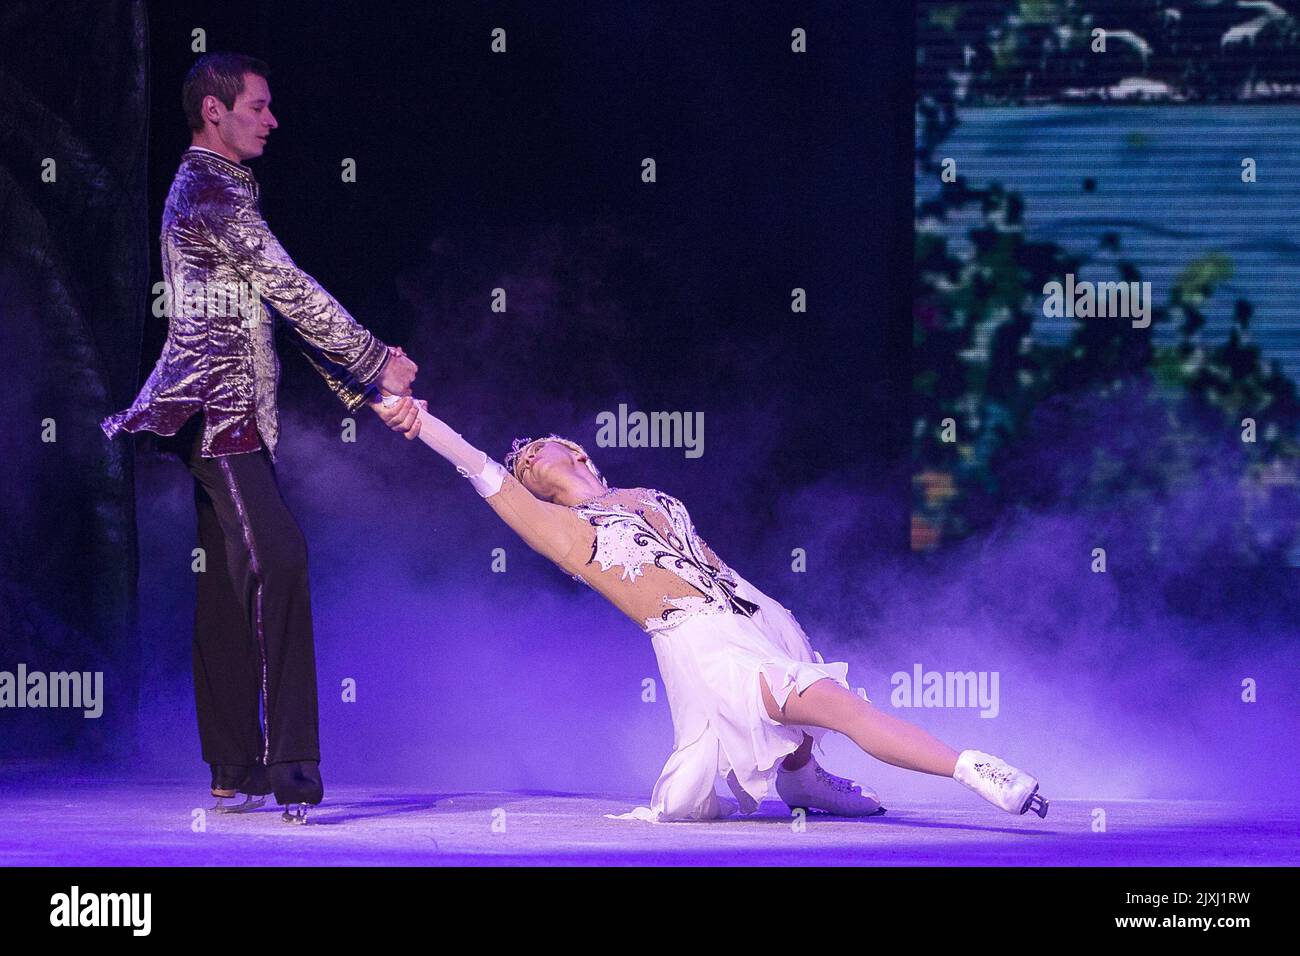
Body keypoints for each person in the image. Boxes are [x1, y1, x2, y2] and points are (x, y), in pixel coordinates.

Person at [371, 395, 1050, 821]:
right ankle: (975, 769)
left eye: (533, 449)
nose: (521, 460)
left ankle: (803, 780)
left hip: (754, 611)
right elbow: (480, 469)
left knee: (808, 713)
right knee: (842, 709)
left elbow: (709, 558)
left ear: (573, 451)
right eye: (518, 463)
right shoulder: (565, 532)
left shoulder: (645, 493)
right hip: (702, 644)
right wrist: (421, 420)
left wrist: (769, 615)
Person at [101, 53, 419, 824]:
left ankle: (233, 765)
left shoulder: (217, 189)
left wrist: (366, 388)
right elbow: (291, 287)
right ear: (215, 110)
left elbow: (267, 305)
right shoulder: (211, 190)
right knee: (279, 560)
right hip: (223, 411)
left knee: (228, 584)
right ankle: (289, 766)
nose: (273, 121)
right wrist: (378, 360)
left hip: (226, 411)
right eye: (259, 106)